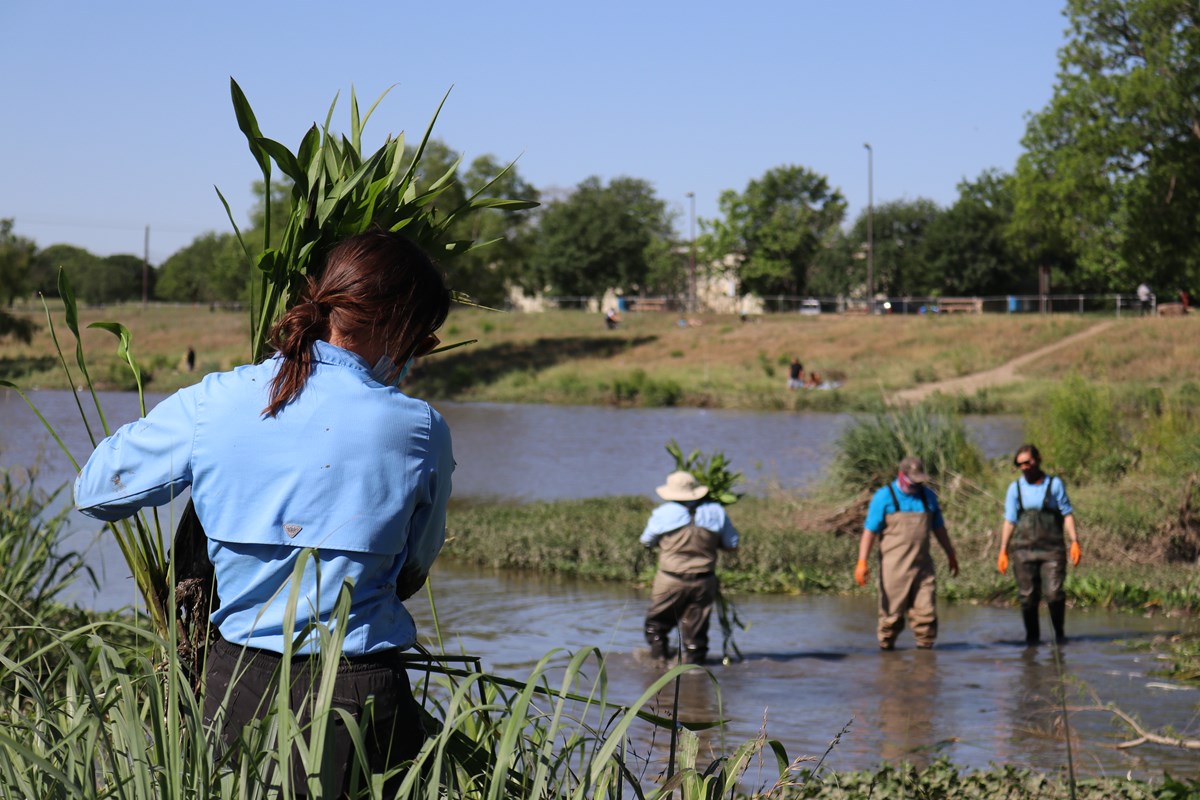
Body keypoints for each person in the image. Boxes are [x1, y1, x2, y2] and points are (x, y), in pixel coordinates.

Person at [73, 230, 454, 794]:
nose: (413, 356)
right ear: (391, 324)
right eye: (419, 339)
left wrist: (218, 437)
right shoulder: (420, 428)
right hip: (360, 696)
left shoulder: (219, 400)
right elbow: (413, 570)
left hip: (235, 687)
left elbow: (97, 491)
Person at [855, 457, 959, 650]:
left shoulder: (928, 497)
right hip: (894, 570)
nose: (916, 486)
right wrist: (862, 562)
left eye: (920, 482)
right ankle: (888, 664)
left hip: (923, 569)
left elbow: (939, 528)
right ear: (901, 476)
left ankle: (925, 666)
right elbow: (870, 532)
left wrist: (951, 554)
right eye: (913, 482)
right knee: (891, 620)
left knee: (926, 618)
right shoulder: (884, 497)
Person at [641, 471, 739, 664]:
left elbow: (646, 541)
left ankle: (659, 663)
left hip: (670, 579)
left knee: (656, 625)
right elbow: (732, 545)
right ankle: (695, 670)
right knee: (696, 631)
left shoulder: (663, 513)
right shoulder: (716, 511)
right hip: (704, 580)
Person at [997, 444, 1081, 646]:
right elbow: (1010, 521)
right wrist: (1003, 551)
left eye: (1027, 462)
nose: (1024, 467)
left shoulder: (1055, 485)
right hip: (1023, 551)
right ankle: (1032, 640)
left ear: (1038, 459)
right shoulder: (1015, 488)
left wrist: (1074, 542)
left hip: (1052, 550)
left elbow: (1067, 514)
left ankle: (1059, 635)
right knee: (1027, 598)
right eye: (1020, 464)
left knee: (1054, 594)